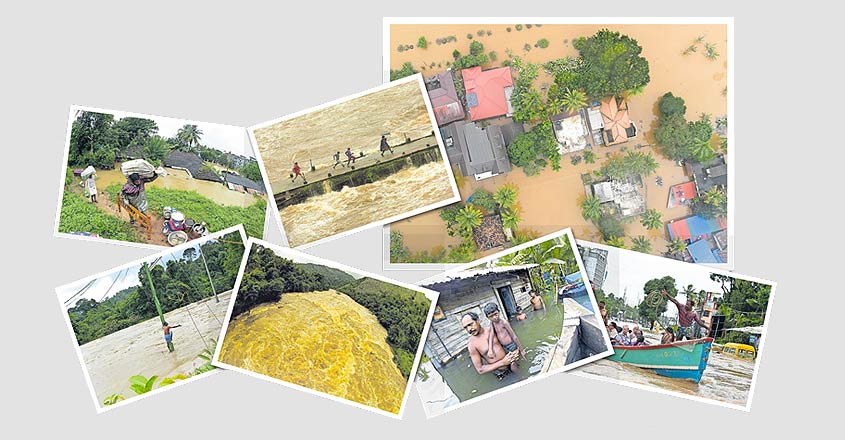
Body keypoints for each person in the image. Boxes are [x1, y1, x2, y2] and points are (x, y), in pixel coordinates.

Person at [461, 312, 519, 381]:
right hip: (501, 372)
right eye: (465, 327)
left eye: (470, 324)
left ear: (478, 320)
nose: (469, 329)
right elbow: (480, 369)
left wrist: (516, 351)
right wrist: (503, 362)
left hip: (513, 362)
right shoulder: (472, 345)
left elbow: (510, 341)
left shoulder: (492, 330)